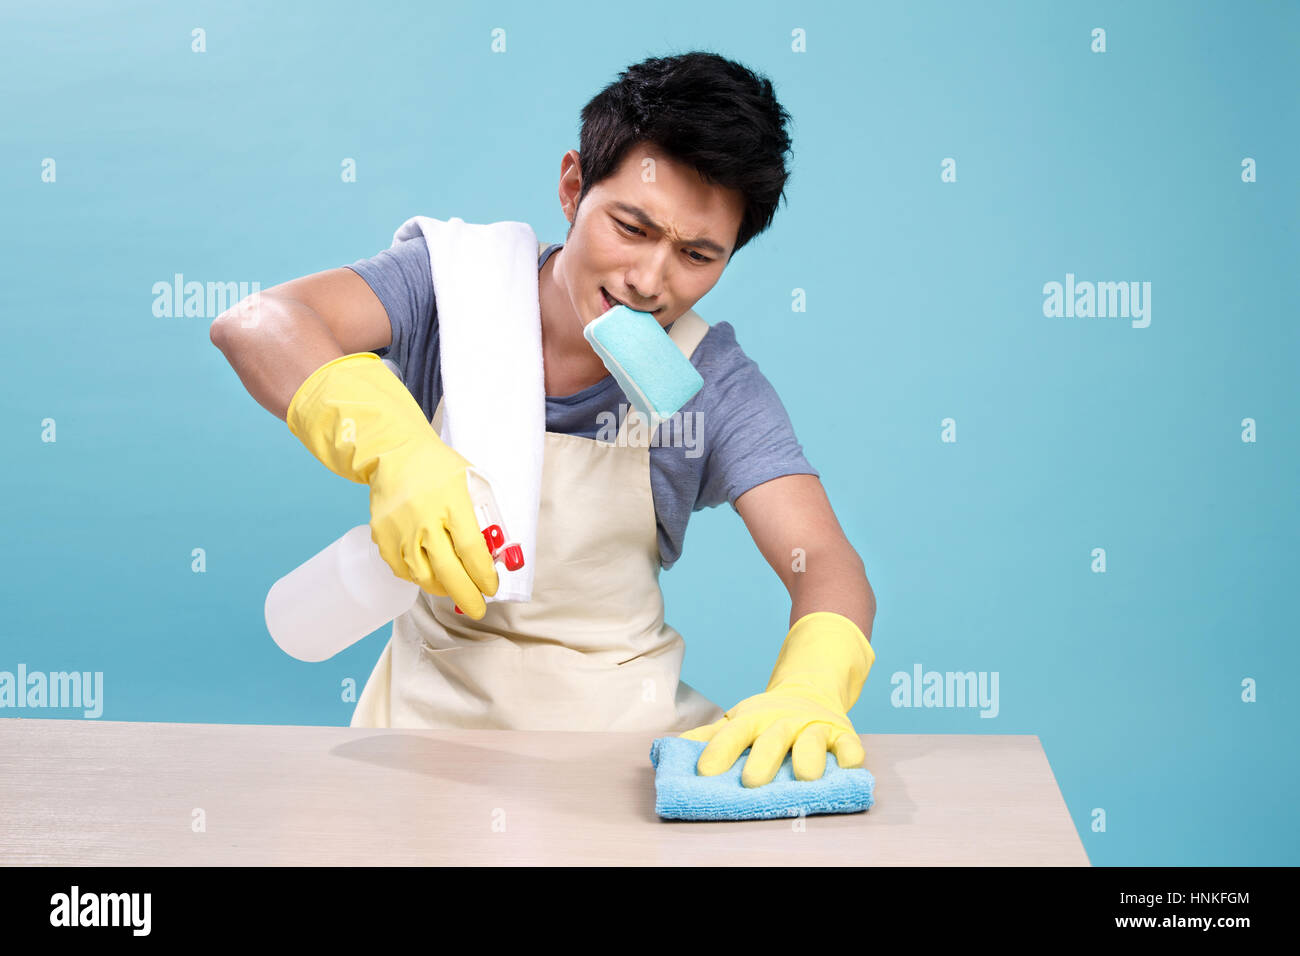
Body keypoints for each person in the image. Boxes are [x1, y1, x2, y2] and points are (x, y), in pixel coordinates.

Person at [211, 51, 877, 788]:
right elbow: (258, 321)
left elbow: (826, 563)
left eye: (696, 255)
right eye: (631, 227)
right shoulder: (456, 288)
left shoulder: (705, 384)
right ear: (572, 187)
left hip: (619, 762)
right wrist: (397, 452)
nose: (648, 282)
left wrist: (810, 685)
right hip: (419, 750)